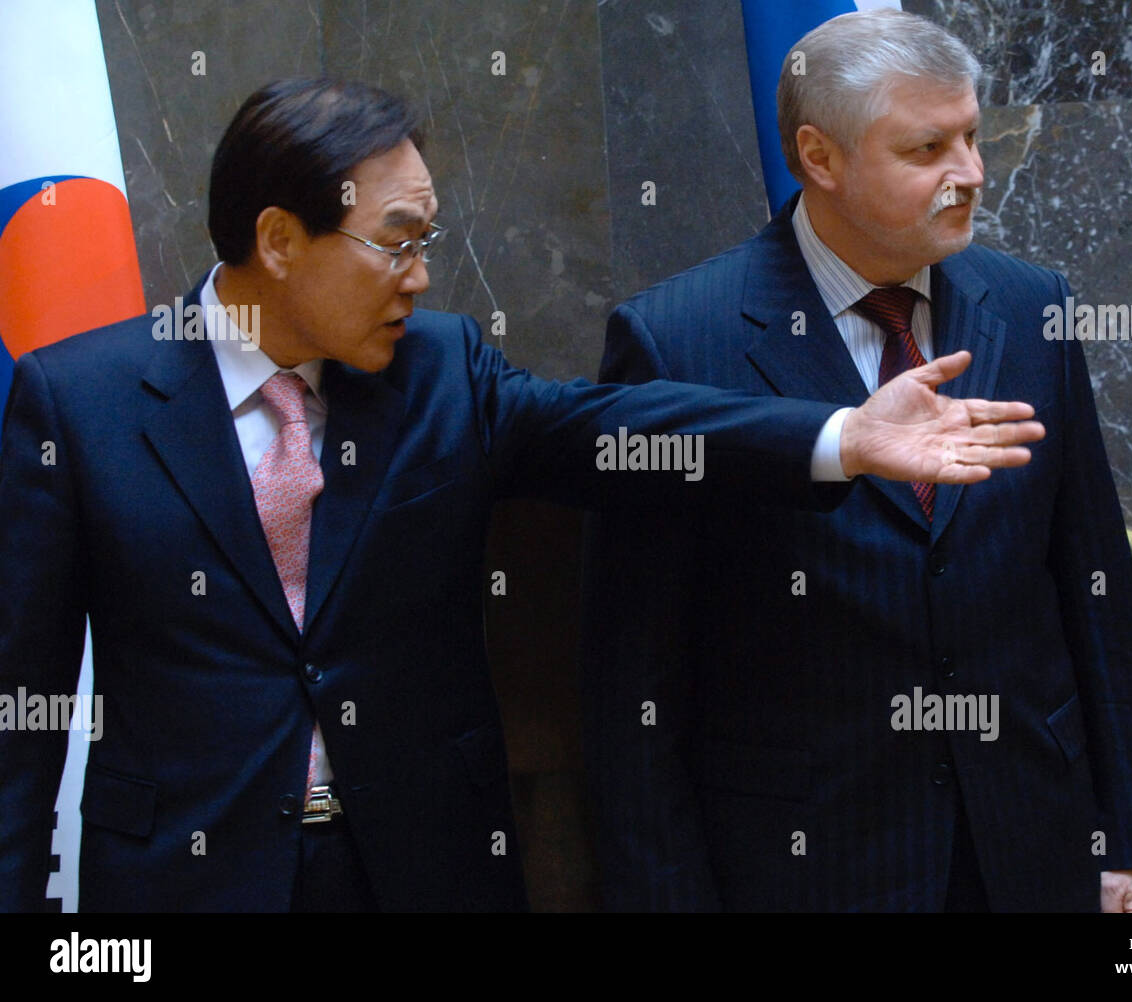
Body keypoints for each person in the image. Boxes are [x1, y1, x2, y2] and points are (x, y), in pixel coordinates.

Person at [0, 77, 1042, 912]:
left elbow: (610, 428)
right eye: (395, 241)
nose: (419, 276)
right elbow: (19, 708)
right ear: (278, 241)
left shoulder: (438, 369)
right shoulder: (81, 402)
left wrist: (843, 435)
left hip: (423, 865)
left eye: (428, 243)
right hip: (187, 878)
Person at [581, 9, 1132, 912]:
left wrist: (1128, 843)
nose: (971, 175)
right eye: (927, 149)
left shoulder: (1032, 308)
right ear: (820, 158)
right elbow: (633, 678)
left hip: (1031, 844)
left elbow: (1095, 593)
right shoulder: (678, 341)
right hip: (810, 866)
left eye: (974, 137)